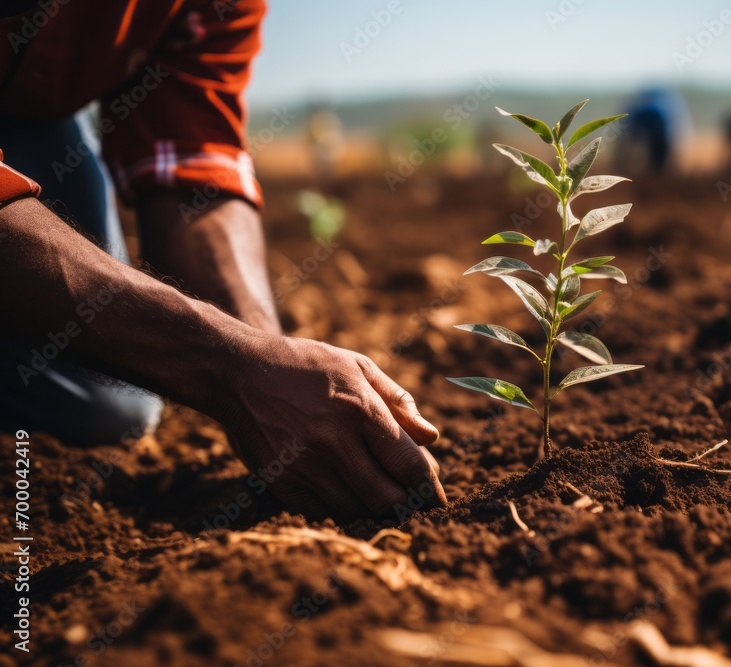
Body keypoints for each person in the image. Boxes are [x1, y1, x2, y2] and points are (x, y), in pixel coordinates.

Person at [0, 1, 445, 520]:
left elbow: (192, 167)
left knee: (103, 406)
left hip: (31, 112)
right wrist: (225, 365)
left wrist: (266, 358)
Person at [615, 87, 691, 173]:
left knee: (657, 157)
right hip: (658, 131)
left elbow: (625, 139)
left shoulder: (640, 108)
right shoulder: (664, 108)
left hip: (656, 131)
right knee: (659, 160)